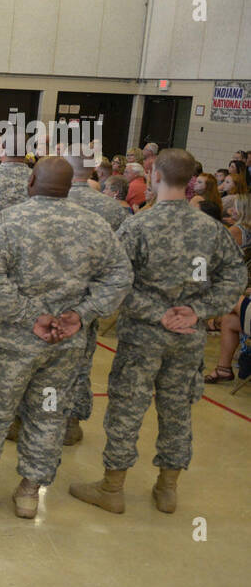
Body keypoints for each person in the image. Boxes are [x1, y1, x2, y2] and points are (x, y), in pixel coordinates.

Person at [0, 157, 132, 521]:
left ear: (31, 181)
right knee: (48, 414)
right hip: (63, 347)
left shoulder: (6, 222)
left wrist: (32, 317)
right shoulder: (95, 226)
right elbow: (120, 279)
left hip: (7, 345)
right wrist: (81, 314)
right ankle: (29, 494)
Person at [71, 149, 245, 516]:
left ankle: (112, 487)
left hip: (142, 337)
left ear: (154, 178)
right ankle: (167, 489)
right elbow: (235, 277)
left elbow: (117, 282)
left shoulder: (138, 226)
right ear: (191, 183)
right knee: (178, 409)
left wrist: (157, 312)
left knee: (127, 408)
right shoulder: (211, 229)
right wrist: (197, 310)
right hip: (189, 336)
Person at [61, 150, 132, 445]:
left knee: (36, 362)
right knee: (79, 363)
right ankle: (70, 423)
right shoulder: (113, 210)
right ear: (93, 171)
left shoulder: (51, 201)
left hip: (43, 300)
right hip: (87, 303)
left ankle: (30, 418)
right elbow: (119, 265)